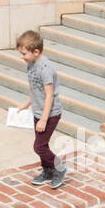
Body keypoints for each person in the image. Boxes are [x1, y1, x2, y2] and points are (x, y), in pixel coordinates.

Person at [14, 30, 68, 190]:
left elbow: (49, 96)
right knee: (42, 145)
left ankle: (59, 168)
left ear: (36, 51)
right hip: (38, 112)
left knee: (39, 147)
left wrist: (44, 119)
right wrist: (26, 105)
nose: (22, 57)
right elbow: (35, 90)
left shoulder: (45, 68)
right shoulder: (31, 65)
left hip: (50, 114)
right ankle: (48, 171)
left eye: (24, 54)